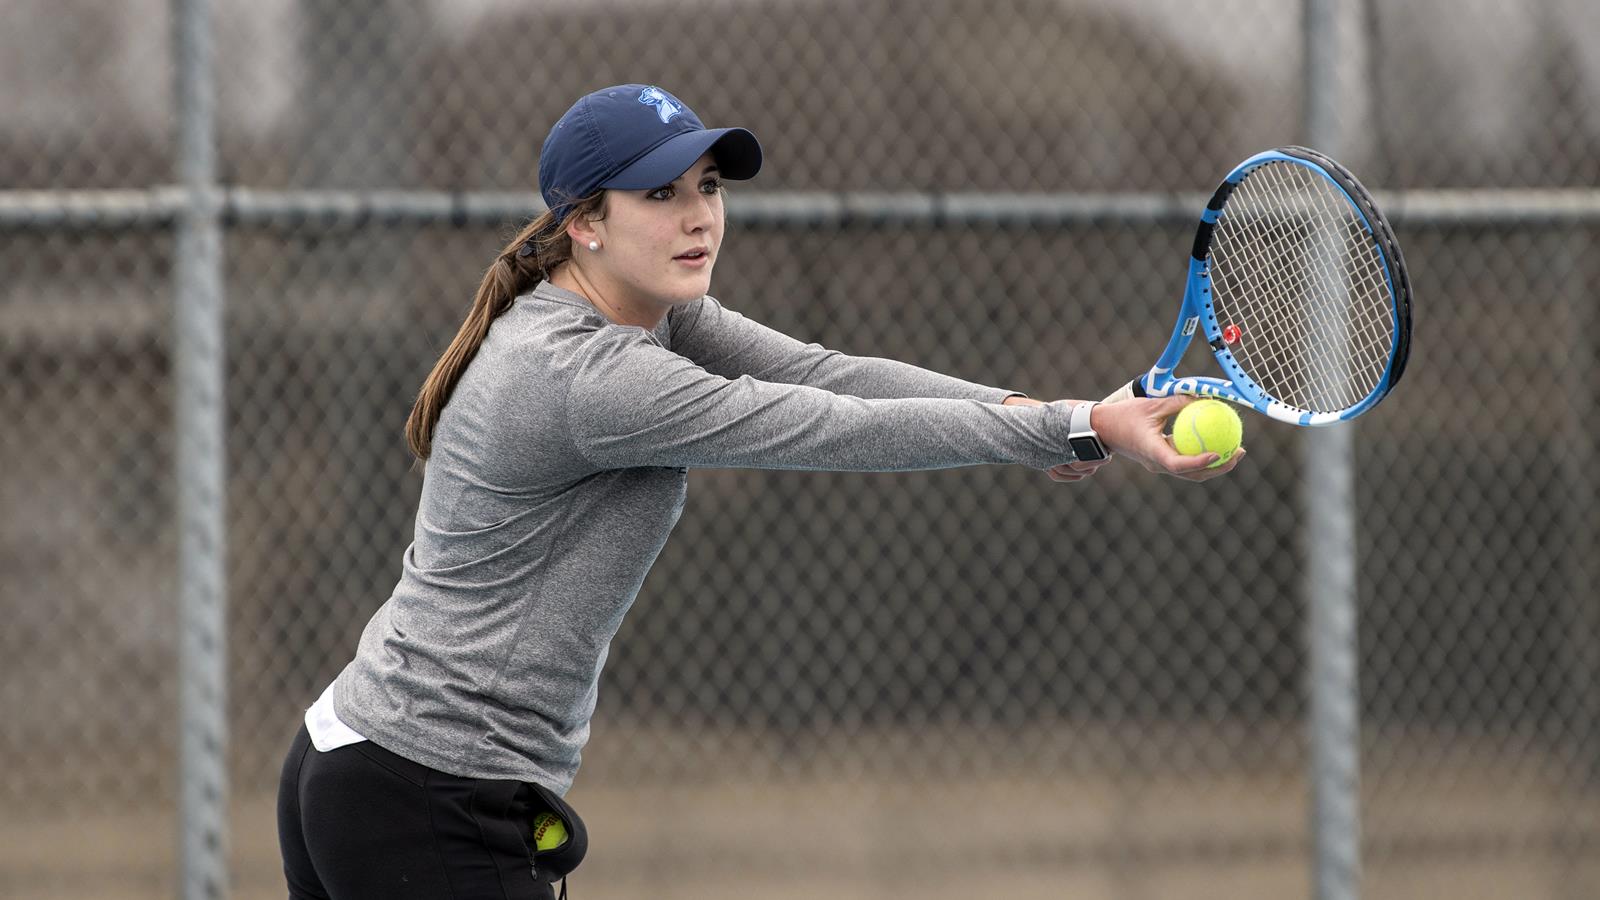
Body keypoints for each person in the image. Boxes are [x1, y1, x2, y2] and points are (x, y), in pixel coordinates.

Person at [276, 83, 1243, 900]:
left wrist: (1057, 418)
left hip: (368, 760)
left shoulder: (649, 317)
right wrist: (1058, 426)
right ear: (584, 224)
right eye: (659, 193)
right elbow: (824, 428)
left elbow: (831, 375)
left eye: (708, 186)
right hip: (427, 793)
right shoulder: (589, 376)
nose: (699, 214)